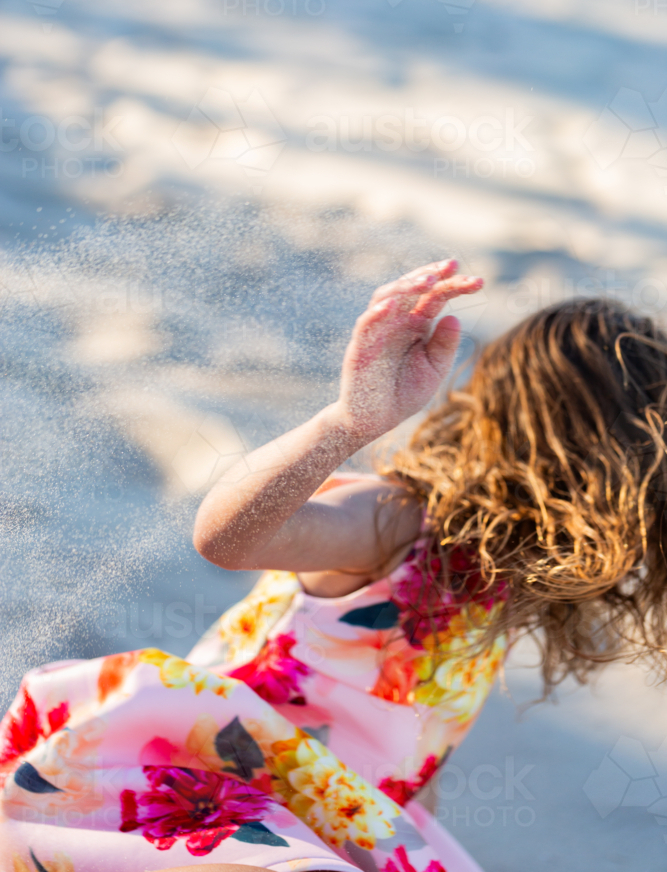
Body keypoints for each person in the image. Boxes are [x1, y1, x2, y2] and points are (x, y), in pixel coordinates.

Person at [3, 259, 667, 872]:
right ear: (577, 456)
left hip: (337, 816)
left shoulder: (491, 582)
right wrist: (346, 423)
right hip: (217, 782)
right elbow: (227, 539)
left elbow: (409, 749)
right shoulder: (397, 519)